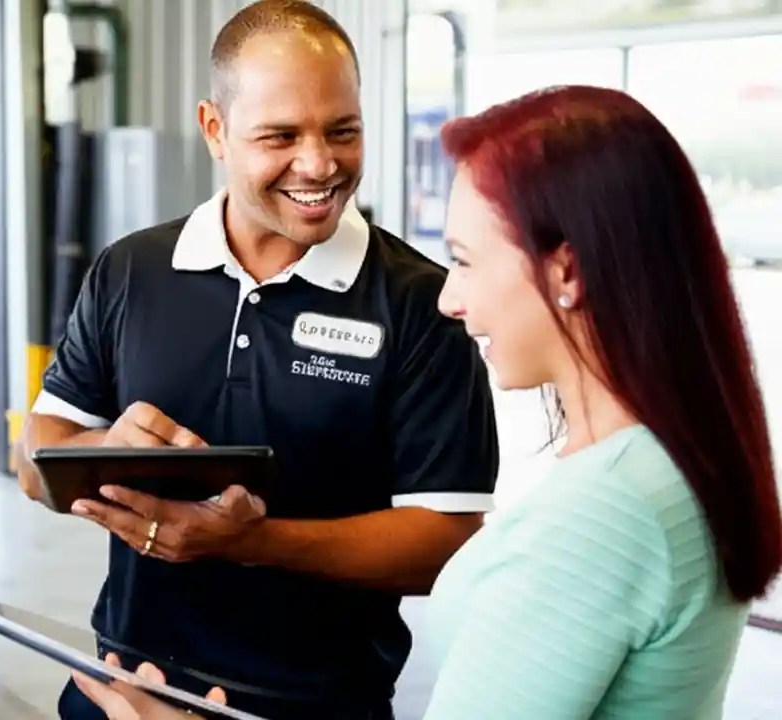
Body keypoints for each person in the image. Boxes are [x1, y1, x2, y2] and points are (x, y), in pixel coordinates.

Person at [69, 83, 782, 719]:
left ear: (565, 270)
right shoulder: (665, 463)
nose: (449, 296)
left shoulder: (595, 523)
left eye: (466, 261)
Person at [13, 1, 500, 718]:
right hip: (121, 690)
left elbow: (446, 540)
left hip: (313, 703)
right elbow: (36, 464)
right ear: (216, 129)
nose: (319, 164)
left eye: (343, 131)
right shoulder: (131, 272)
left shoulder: (421, 305)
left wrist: (251, 542)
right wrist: (104, 450)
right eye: (280, 136)